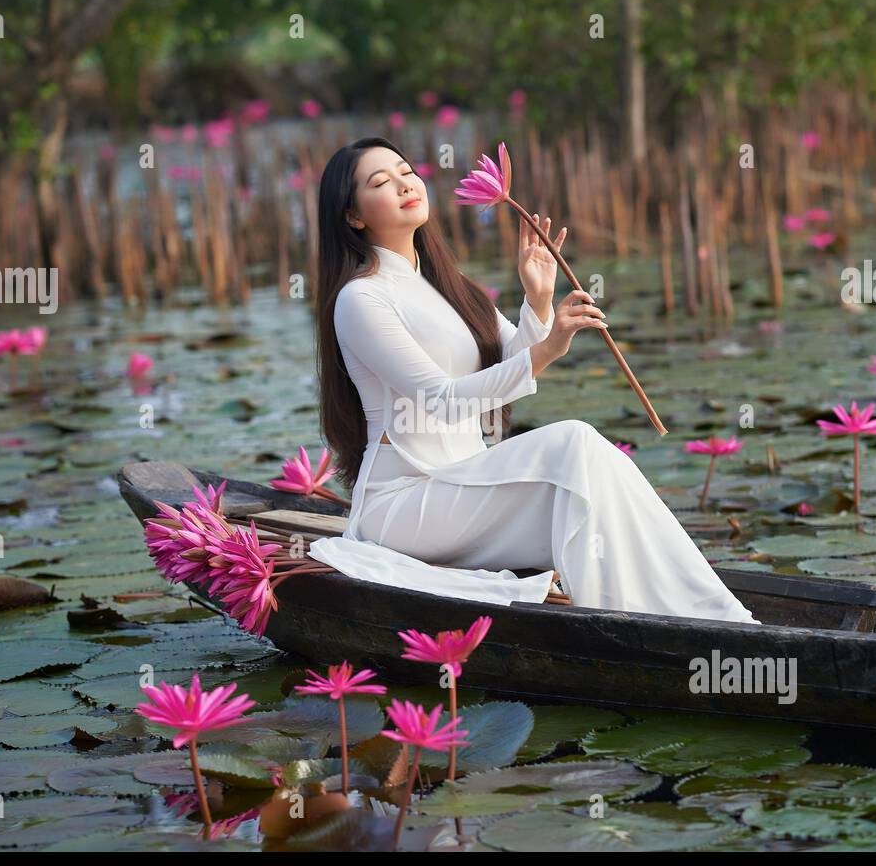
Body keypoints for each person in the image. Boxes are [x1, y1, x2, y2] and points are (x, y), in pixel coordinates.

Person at [313, 136, 759, 623]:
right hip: (404, 505)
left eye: (406, 172)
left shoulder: (445, 282)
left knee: (593, 486)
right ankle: (653, 623)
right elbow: (439, 401)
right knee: (574, 443)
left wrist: (539, 299)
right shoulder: (362, 298)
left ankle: (685, 616)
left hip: (465, 483)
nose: (404, 185)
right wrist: (548, 350)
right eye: (381, 182)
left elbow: (509, 356)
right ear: (354, 217)